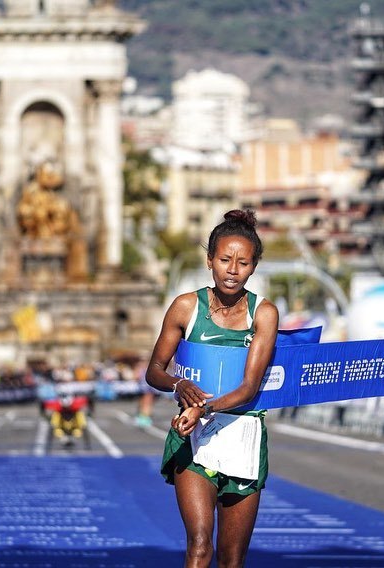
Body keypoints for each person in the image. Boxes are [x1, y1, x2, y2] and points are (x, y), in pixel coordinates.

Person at [145, 209, 278, 568]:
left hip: (242, 434)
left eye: (244, 263)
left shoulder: (264, 314)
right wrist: (179, 383)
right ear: (209, 261)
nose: (233, 270)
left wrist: (203, 407)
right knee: (200, 545)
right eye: (224, 260)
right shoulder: (186, 307)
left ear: (253, 267)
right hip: (194, 435)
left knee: (232, 559)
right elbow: (154, 371)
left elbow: (249, 387)